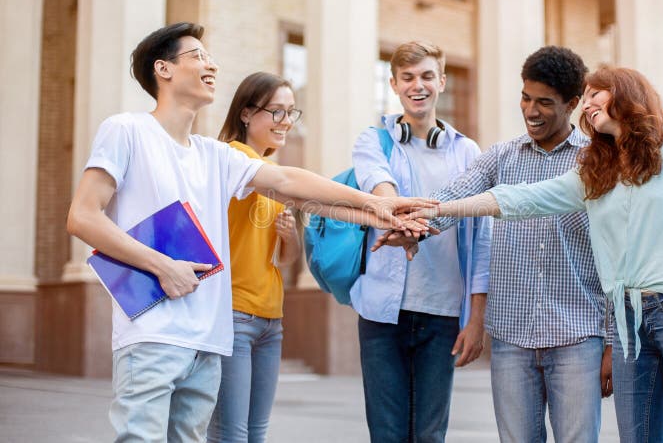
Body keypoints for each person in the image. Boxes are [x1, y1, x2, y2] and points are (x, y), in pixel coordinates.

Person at [66, 22, 432, 442]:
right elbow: (83, 216)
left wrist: (377, 207)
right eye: (198, 56)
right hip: (153, 335)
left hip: (209, 339)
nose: (212, 65)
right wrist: (163, 266)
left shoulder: (214, 155)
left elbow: (289, 183)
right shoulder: (126, 130)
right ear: (163, 69)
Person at [397, 65, 663, 443]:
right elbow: (521, 197)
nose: (591, 104)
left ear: (627, 93)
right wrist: (436, 210)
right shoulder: (597, 171)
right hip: (628, 319)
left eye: (599, 94)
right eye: (589, 97)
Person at [378, 46, 612, 442]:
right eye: (525, 98)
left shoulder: (597, 163)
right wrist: (415, 223)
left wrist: (610, 342)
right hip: (512, 338)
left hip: (578, 337)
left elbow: (615, 256)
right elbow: (454, 195)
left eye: (544, 103)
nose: (531, 111)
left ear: (572, 104)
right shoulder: (502, 157)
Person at [351, 40, 491, 442]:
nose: (418, 85)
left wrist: (476, 320)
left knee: (431, 435)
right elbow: (379, 187)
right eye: (408, 77)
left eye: (427, 76)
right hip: (381, 312)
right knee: (387, 434)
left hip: (443, 311)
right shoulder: (374, 140)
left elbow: (481, 239)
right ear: (394, 84)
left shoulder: (467, 152)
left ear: (442, 81)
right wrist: (396, 211)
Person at [206, 72, 302, 442]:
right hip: (234, 314)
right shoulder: (233, 157)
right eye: (276, 111)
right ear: (246, 113)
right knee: (231, 433)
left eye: (292, 112)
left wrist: (290, 238)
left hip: (269, 319)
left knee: (256, 432)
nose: (286, 122)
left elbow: (285, 258)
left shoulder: (273, 172)